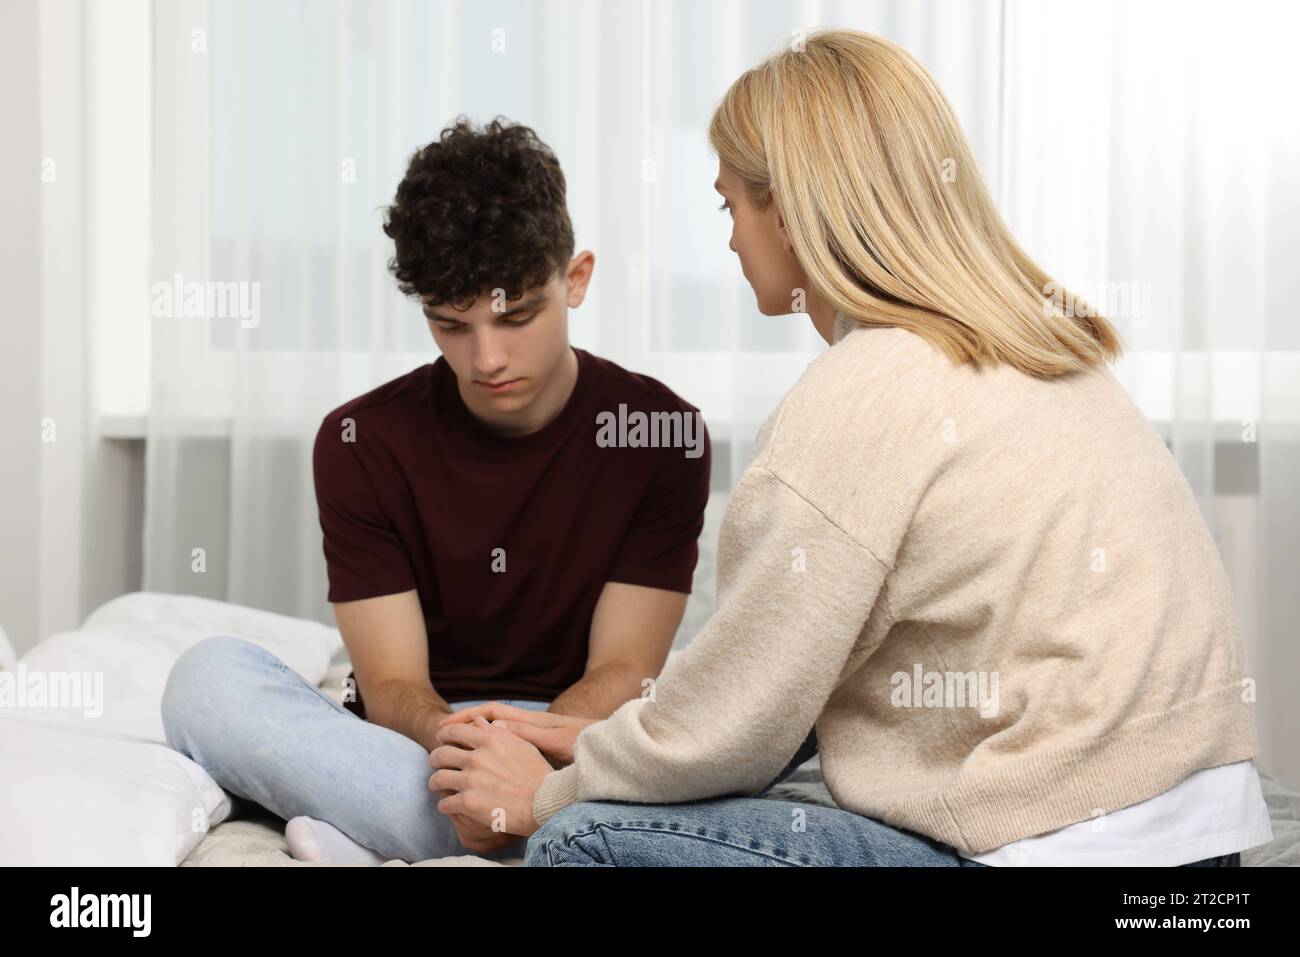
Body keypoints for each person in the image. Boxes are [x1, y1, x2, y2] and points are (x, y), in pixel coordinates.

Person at [431, 29, 1272, 867]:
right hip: (1202, 859)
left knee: (588, 840)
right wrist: (619, 743)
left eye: (731, 205)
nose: (728, 240)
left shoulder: (863, 391)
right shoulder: (1042, 348)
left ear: (789, 213)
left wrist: (539, 798)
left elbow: (742, 724)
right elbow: (793, 678)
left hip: (1056, 848)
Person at [160, 117, 722, 865]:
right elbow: (392, 683)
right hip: (415, 741)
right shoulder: (359, 440)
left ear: (575, 278)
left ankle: (404, 822)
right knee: (203, 682)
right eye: (450, 324)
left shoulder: (661, 434)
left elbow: (623, 672)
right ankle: (517, 833)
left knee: (695, 751)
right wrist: (469, 758)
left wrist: (520, 767)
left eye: (516, 315)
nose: (487, 358)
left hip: (568, 742)